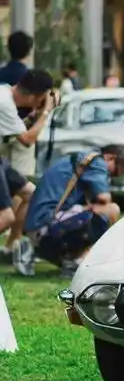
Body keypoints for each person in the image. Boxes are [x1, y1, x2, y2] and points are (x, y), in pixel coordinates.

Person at [24, 144, 124, 274]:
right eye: (114, 172)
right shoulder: (96, 161)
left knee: (95, 211)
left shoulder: (80, 161)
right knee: (112, 209)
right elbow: (104, 197)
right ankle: (81, 262)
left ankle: (70, 261)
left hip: (38, 228)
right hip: (46, 227)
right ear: (109, 157)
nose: (110, 176)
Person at [0, 69, 56, 273]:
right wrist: (46, 112)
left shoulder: (4, 92)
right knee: (6, 217)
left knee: (31, 193)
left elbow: (18, 130)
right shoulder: (5, 103)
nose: (42, 102)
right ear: (33, 97)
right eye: (41, 98)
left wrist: (37, 115)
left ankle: (8, 248)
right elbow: (27, 140)